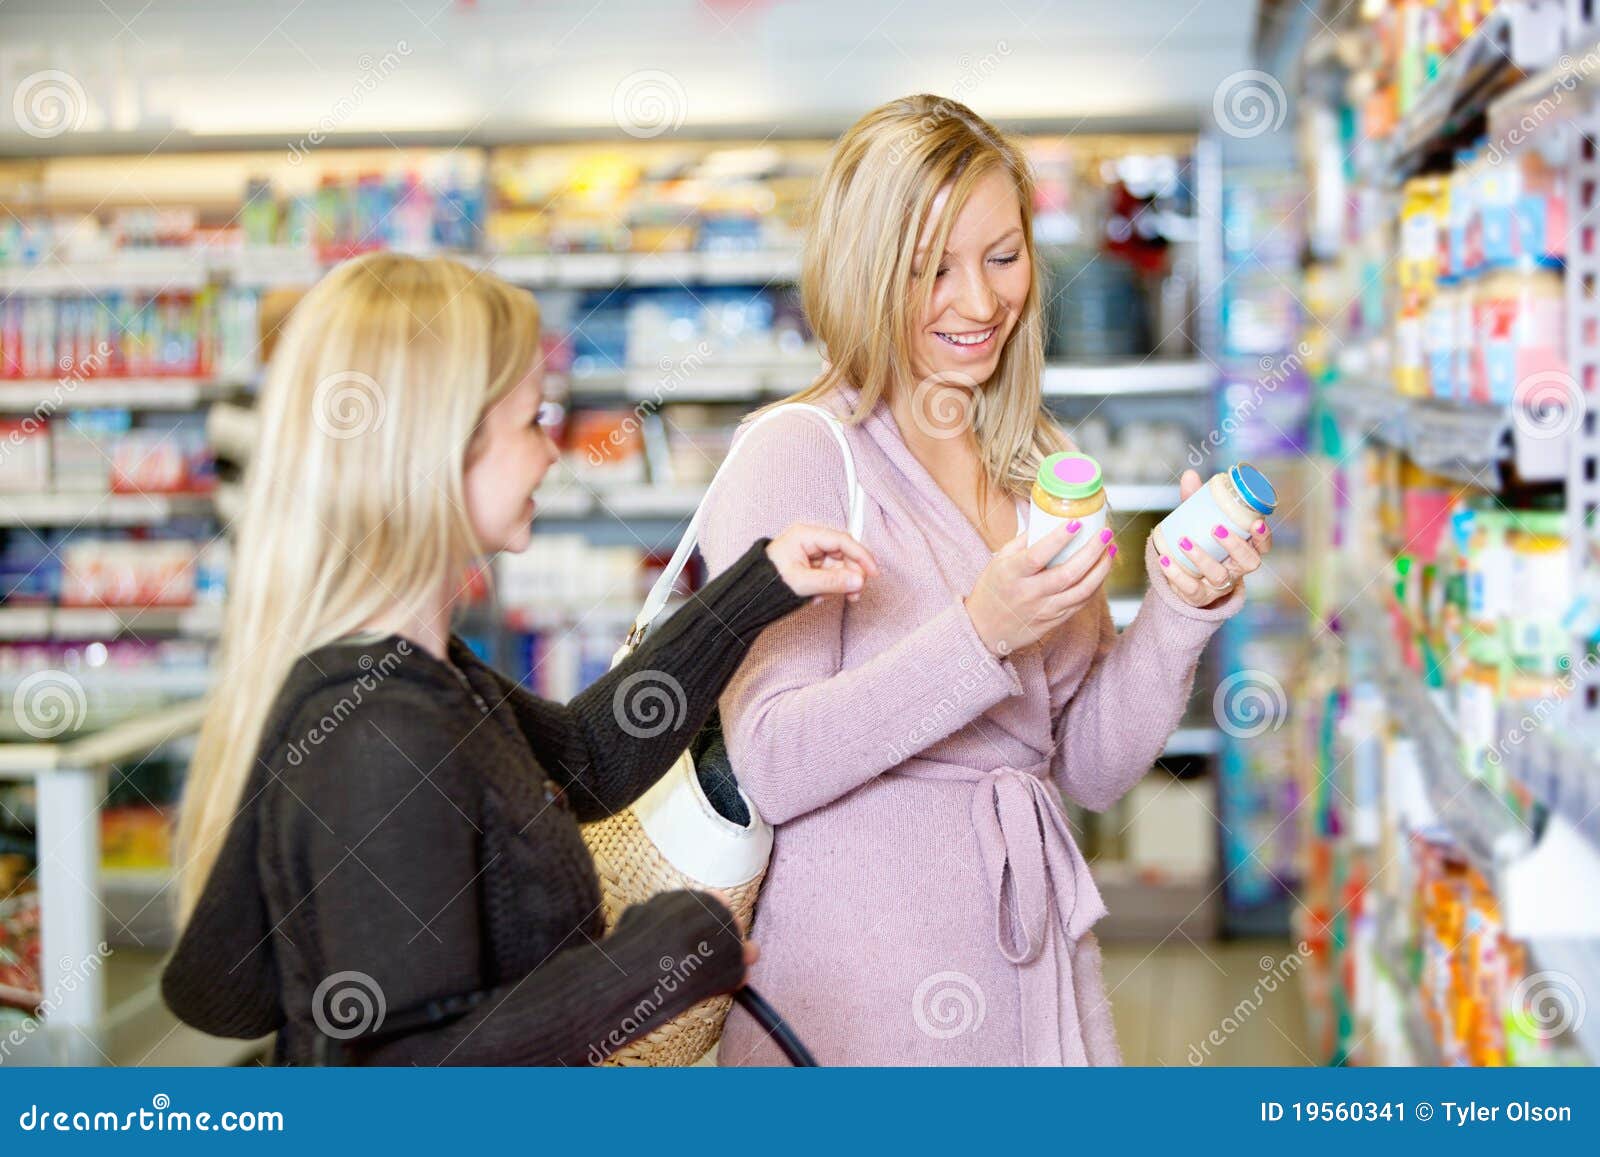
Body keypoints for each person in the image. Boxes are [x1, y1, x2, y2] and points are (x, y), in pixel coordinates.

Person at [160, 252, 877, 1065]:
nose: (552, 453)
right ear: (441, 446)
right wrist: (644, 962)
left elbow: (582, 758)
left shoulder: (404, 678)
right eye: (533, 422)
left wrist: (757, 586)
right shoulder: (384, 731)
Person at [697, 95, 1273, 1066]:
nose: (977, 302)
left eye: (1001, 258)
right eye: (931, 269)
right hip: (860, 994)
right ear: (864, 272)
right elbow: (769, 758)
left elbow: (1085, 764)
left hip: (1031, 964)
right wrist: (979, 630)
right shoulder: (797, 451)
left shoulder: (1036, 464)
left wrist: (1177, 609)